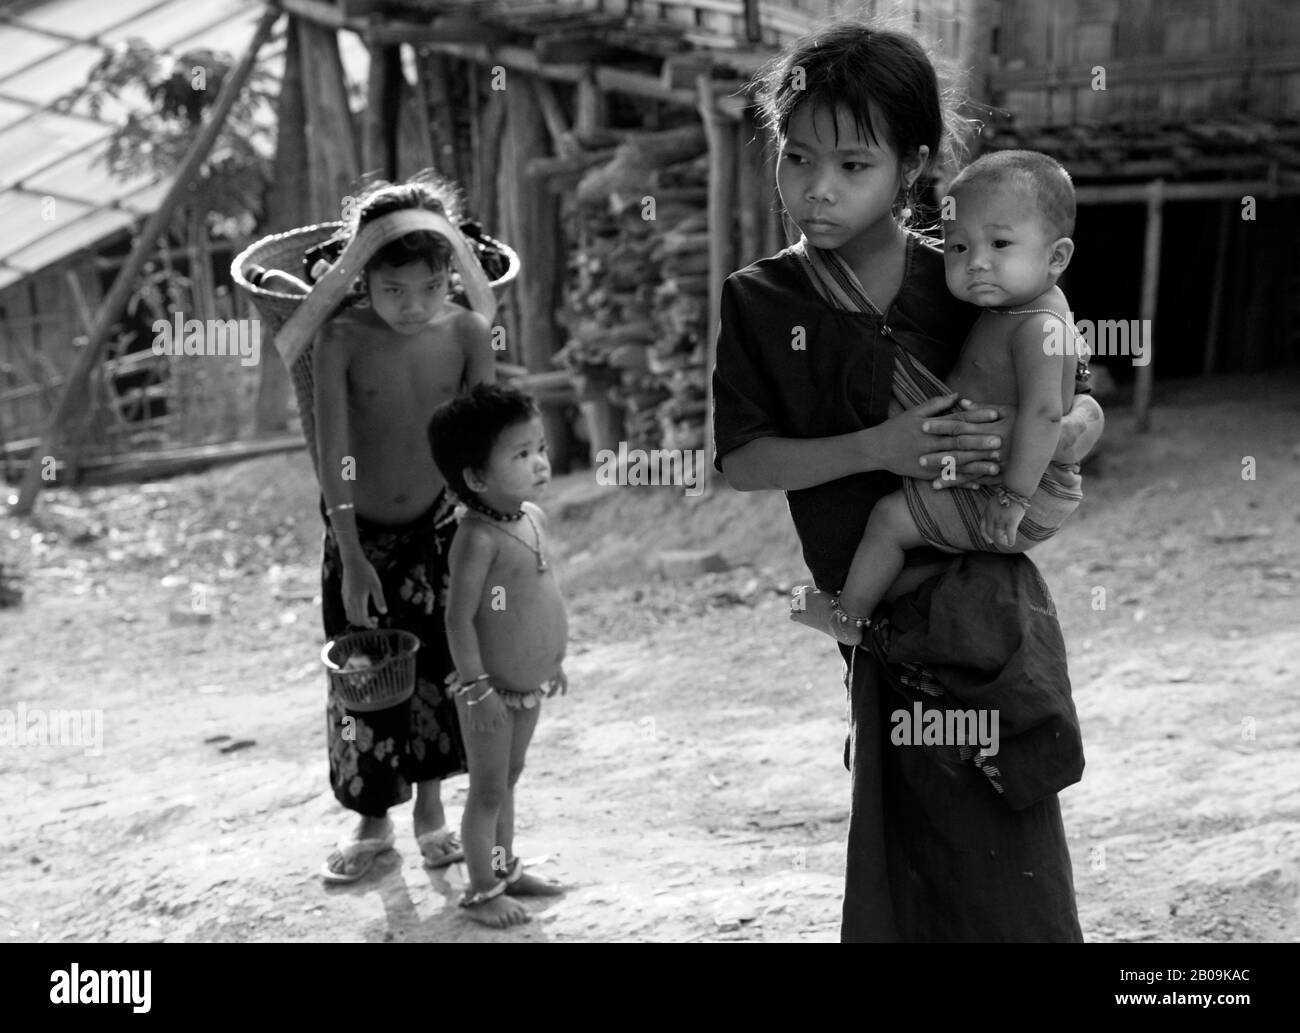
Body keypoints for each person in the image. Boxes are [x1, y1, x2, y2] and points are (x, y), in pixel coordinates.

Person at [712, 20, 1104, 941]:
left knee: (1005, 852)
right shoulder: (762, 301)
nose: (818, 188)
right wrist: (878, 448)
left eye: (854, 165)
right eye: (797, 158)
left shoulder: (967, 279)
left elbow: (1080, 402)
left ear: (913, 164)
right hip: (879, 615)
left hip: (982, 605)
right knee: (906, 846)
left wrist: (1058, 434)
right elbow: (741, 460)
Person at [792, 149, 1086, 646]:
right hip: (1006, 480)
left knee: (888, 519)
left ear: (1056, 257)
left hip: (1021, 491)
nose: (977, 264)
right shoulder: (1025, 304)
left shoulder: (1037, 326)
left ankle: (850, 619)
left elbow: (1045, 414)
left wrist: (1013, 497)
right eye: (958, 248)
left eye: (1000, 243)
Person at [316, 174, 496, 883]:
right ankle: (371, 816)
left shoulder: (466, 332)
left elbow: (484, 438)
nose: (412, 306)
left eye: (427, 287)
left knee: (440, 669)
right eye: (393, 290)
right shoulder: (340, 338)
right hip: (357, 532)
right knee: (362, 671)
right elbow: (332, 449)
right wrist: (352, 553)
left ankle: (429, 806)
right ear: (363, 280)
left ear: (450, 274)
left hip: (443, 530)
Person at [428, 383, 568, 928]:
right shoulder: (476, 538)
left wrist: (552, 659)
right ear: (476, 477)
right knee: (488, 791)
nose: (539, 463)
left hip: (529, 685)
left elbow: (539, 598)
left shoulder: (532, 516)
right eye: (521, 454)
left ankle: (505, 869)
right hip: (487, 692)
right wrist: (476, 687)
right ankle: (483, 890)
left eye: (540, 449)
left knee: (509, 779)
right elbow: (457, 618)